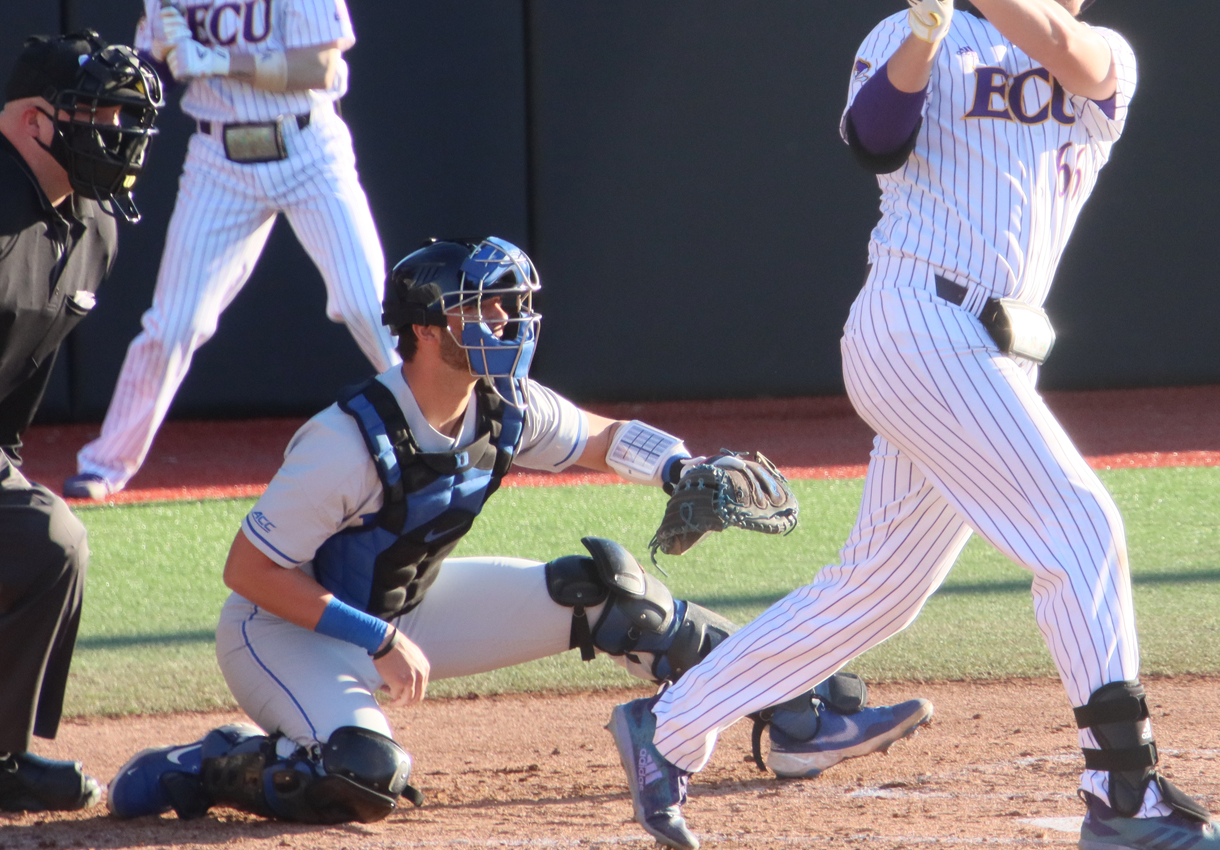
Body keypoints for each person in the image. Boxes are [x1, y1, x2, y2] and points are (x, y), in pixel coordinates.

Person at [607, 0, 1220, 850]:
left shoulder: (1103, 52)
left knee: (881, 588)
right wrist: (926, 18)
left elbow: (1071, 56)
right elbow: (874, 140)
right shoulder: (918, 32)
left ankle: (667, 727)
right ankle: (1125, 794)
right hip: (921, 323)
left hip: (990, 349)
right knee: (1081, 528)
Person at [104, 237, 933, 824]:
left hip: (409, 611)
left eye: (510, 307)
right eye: (485, 309)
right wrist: (374, 638)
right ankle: (213, 762)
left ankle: (797, 714)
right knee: (364, 779)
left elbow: (603, 437)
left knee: (611, 595)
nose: (507, 322)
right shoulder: (346, 440)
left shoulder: (504, 405)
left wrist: (681, 469)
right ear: (425, 329)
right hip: (285, 632)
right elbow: (248, 571)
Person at [64, 0, 398, 502]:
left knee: (370, 306)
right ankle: (105, 465)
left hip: (309, 149)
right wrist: (157, 53)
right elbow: (153, 68)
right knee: (175, 323)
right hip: (219, 161)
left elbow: (319, 65)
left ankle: (457, 436)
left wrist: (218, 57)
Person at [0, 32, 163, 811]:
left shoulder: (94, 230)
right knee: (47, 532)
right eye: (96, 112)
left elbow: (19, 378)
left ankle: (3, 754)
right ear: (34, 121)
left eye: (122, 114)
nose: (117, 130)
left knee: (48, 544)